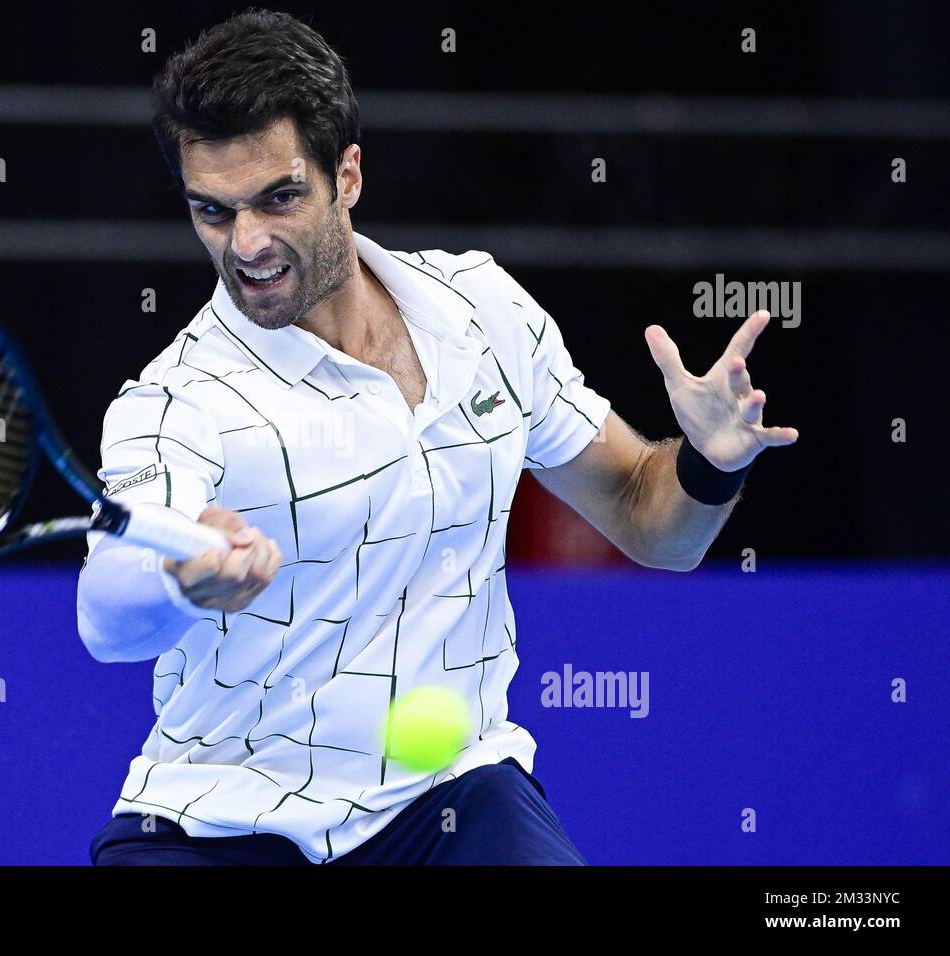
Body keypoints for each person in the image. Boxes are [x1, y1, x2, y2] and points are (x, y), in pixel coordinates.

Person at [77, 9, 797, 866]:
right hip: (223, 820)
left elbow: (649, 519)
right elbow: (105, 615)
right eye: (213, 211)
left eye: (279, 198)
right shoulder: (178, 399)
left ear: (347, 174)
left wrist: (710, 465)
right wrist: (183, 582)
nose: (248, 244)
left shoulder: (480, 309)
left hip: (452, 797)